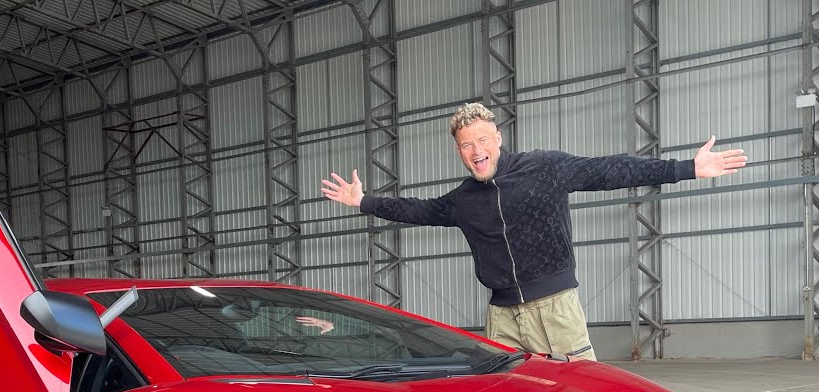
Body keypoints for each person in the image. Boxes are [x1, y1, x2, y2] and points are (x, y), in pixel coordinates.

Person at [320, 102, 747, 361]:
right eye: (467, 145)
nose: (477, 151)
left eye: (483, 140)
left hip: (556, 308)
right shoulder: (464, 199)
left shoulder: (543, 168)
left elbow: (608, 169)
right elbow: (418, 209)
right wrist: (363, 202)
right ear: (458, 151)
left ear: (498, 139)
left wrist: (685, 169)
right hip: (501, 317)